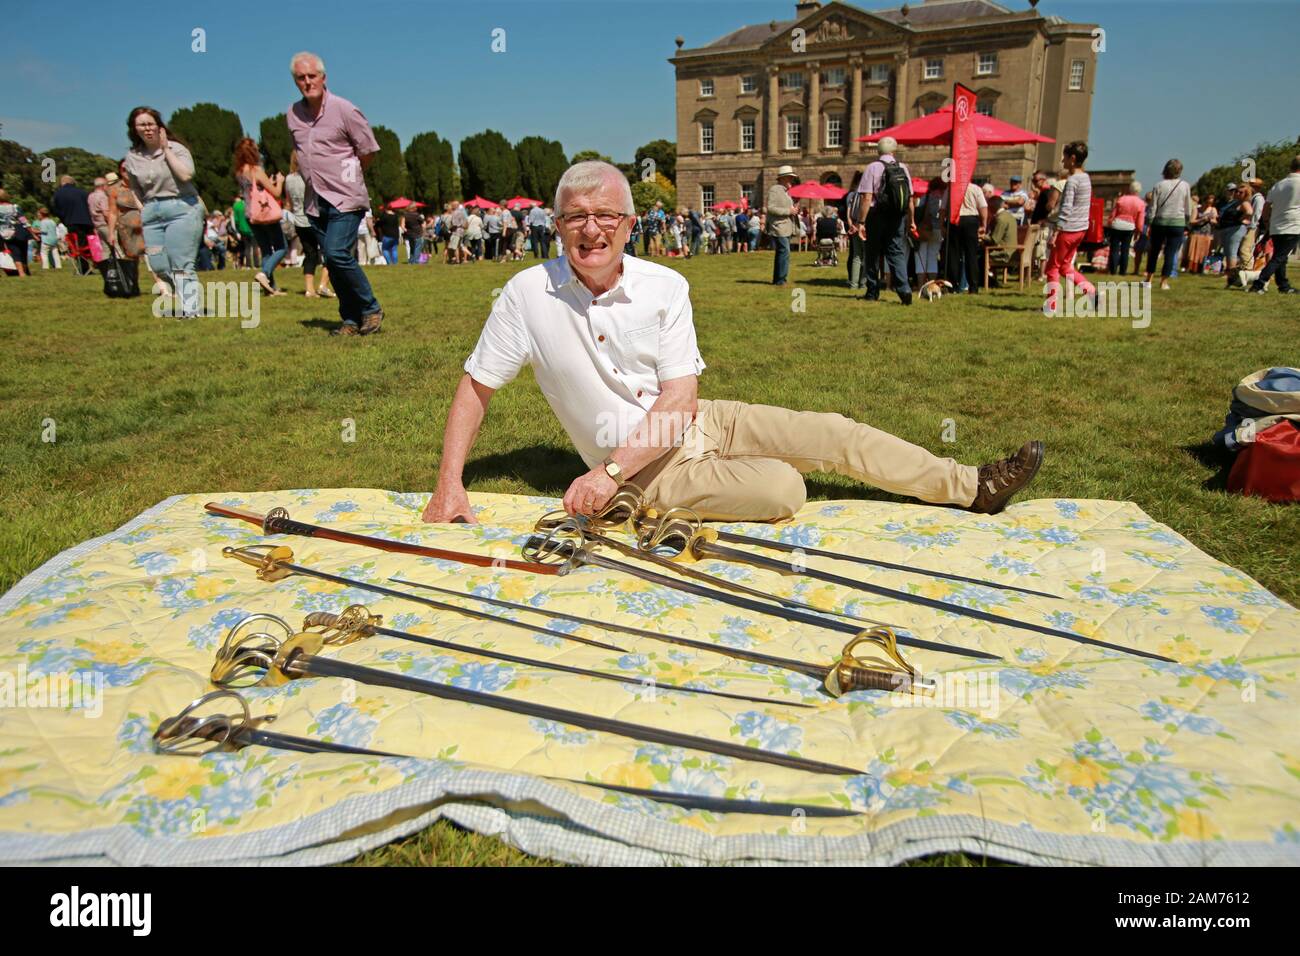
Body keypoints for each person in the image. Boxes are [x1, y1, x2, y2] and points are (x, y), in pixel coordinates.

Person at [420, 160, 1044, 527]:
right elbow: (476, 386)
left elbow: (680, 398)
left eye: (606, 215)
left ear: (630, 224)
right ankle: (759, 478)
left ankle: (971, 486)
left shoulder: (666, 284)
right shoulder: (526, 294)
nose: (592, 230)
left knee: (834, 432)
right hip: (646, 475)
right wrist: (451, 484)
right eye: (576, 217)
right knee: (784, 489)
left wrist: (604, 472)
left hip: (700, 420)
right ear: (556, 226)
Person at [286, 51, 384, 335]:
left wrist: (349, 176)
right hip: (314, 200)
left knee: (336, 252)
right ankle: (350, 320)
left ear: (323, 77)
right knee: (332, 260)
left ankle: (370, 308)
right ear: (295, 81)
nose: (307, 82)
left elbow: (368, 150)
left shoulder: (345, 110)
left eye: (312, 76)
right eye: (301, 78)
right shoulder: (292, 115)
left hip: (345, 196)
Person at [122, 106, 205, 317]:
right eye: (141, 125)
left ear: (159, 126)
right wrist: (143, 209)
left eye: (150, 124)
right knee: (158, 265)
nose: (147, 128)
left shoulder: (177, 149)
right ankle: (184, 293)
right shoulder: (132, 156)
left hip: (181, 208)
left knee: (181, 262)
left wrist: (166, 150)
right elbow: (135, 187)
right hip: (151, 211)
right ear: (134, 129)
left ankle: (191, 310)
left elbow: (186, 175)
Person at [852, 137, 913, 304]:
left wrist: (861, 222)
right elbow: (909, 199)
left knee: (872, 254)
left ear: (878, 150)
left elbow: (866, 197)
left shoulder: (872, 167)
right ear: (894, 150)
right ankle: (905, 290)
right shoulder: (902, 168)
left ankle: (872, 292)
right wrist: (911, 220)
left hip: (876, 215)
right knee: (896, 252)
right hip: (897, 215)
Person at [1044, 141, 1096, 313]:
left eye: (1064, 157)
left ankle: (1051, 306)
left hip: (1068, 230)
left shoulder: (1072, 181)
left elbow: (1066, 208)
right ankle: (1091, 291)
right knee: (1065, 266)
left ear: (1072, 159)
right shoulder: (1086, 178)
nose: (1062, 161)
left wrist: (1056, 232)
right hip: (1080, 229)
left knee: (1052, 268)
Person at [233, 137, 288, 295]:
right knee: (281, 247)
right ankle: (264, 273)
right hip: (264, 212)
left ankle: (271, 287)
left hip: (250, 213)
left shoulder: (239, 172)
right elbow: (276, 193)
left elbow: (253, 190)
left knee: (266, 250)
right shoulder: (256, 170)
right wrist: (280, 181)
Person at [284, 152, 332, 297]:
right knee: (329, 252)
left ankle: (309, 289)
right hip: (315, 218)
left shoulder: (289, 179)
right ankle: (323, 285)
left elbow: (289, 202)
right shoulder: (312, 175)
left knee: (310, 254)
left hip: (299, 220)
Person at [1251, 154, 1300, 295]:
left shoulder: (1279, 184)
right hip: (1293, 225)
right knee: (1279, 257)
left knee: (1281, 257)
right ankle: (1259, 283)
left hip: (1276, 225)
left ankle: (1283, 285)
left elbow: (1266, 206)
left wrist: (1267, 222)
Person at [1144, 158, 1195, 291]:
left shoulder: (1159, 185)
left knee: (1154, 252)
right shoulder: (1185, 185)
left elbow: (1153, 207)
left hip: (1159, 222)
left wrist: (1149, 222)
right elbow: (1188, 207)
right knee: (1170, 253)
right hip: (1177, 223)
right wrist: (1187, 222)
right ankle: (1164, 282)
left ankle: (1148, 280)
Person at [945, 178, 986, 294]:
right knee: (971, 254)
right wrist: (984, 223)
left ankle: (953, 286)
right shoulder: (976, 188)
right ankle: (973, 286)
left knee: (953, 254)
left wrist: (942, 224)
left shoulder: (951, 189)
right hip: (971, 219)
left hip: (954, 220)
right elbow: (983, 207)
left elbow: (943, 207)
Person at [50, 175, 94, 275]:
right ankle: (90, 266)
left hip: (71, 222)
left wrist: (64, 219)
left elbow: (56, 209)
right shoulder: (83, 192)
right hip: (86, 222)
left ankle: (82, 267)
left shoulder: (58, 194)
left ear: (62, 183)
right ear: (73, 182)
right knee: (85, 245)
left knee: (75, 245)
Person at [765, 165, 798, 286]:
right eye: (790, 177)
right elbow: (771, 208)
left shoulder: (786, 192)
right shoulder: (775, 190)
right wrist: (788, 211)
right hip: (779, 227)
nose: (792, 180)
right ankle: (781, 280)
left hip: (785, 227)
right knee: (784, 252)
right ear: (783, 178)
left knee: (781, 252)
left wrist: (793, 209)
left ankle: (778, 279)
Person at [1106, 181, 1144, 276]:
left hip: (1117, 224)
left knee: (1114, 249)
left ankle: (1113, 270)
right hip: (1129, 226)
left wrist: (1110, 222)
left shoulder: (1122, 199)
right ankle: (1123, 271)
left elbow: (1113, 213)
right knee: (1125, 250)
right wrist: (1139, 230)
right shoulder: (1141, 203)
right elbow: (1140, 220)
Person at [1213, 187, 1249, 276]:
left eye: (1241, 192)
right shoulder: (1234, 203)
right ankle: (1228, 271)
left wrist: (1241, 219)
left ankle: (1231, 274)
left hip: (1235, 229)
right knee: (1227, 251)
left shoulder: (1244, 203)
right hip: (1227, 228)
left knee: (1232, 251)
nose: (1237, 193)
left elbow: (1249, 212)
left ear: (1246, 194)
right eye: (1237, 191)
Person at [986, 194, 1019, 284]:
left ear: (991, 207)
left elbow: (994, 240)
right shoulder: (1009, 216)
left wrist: (982, 236)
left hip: (1004, 253)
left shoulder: (1000, 219)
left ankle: (988, 281)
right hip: (1013, 251)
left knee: (978, 256)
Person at [0, 188, 31, 276]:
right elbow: (23, 219)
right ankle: (25, 271)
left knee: (15, 252)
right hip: (20, 232)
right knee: (23, 252)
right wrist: (30, 230)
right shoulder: (15, 207)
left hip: (7, 233)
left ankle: (21, 273)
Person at [1186, 193, 1217, 272]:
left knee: (1204, 252)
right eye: (1207, 202)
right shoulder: (1197, 209)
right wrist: (1201, 219)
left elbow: (1215, 221)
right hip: (1196, 232)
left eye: (1211, 203)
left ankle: (1202, 268)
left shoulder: (1213, 209)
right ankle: (1191, 268)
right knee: (1194, 252)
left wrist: (1211, 220)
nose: (1208, 204)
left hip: (1207, 234)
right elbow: (1192, 221)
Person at [88, 176, 112, 253]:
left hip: (97, 226)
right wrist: (112, 224)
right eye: (107, 185)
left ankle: (105, 261)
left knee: (105, 249)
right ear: (103, 186)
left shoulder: (90, 196)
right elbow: (105, 213)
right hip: (105, 225)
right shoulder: (102, 196)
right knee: (116, 247)